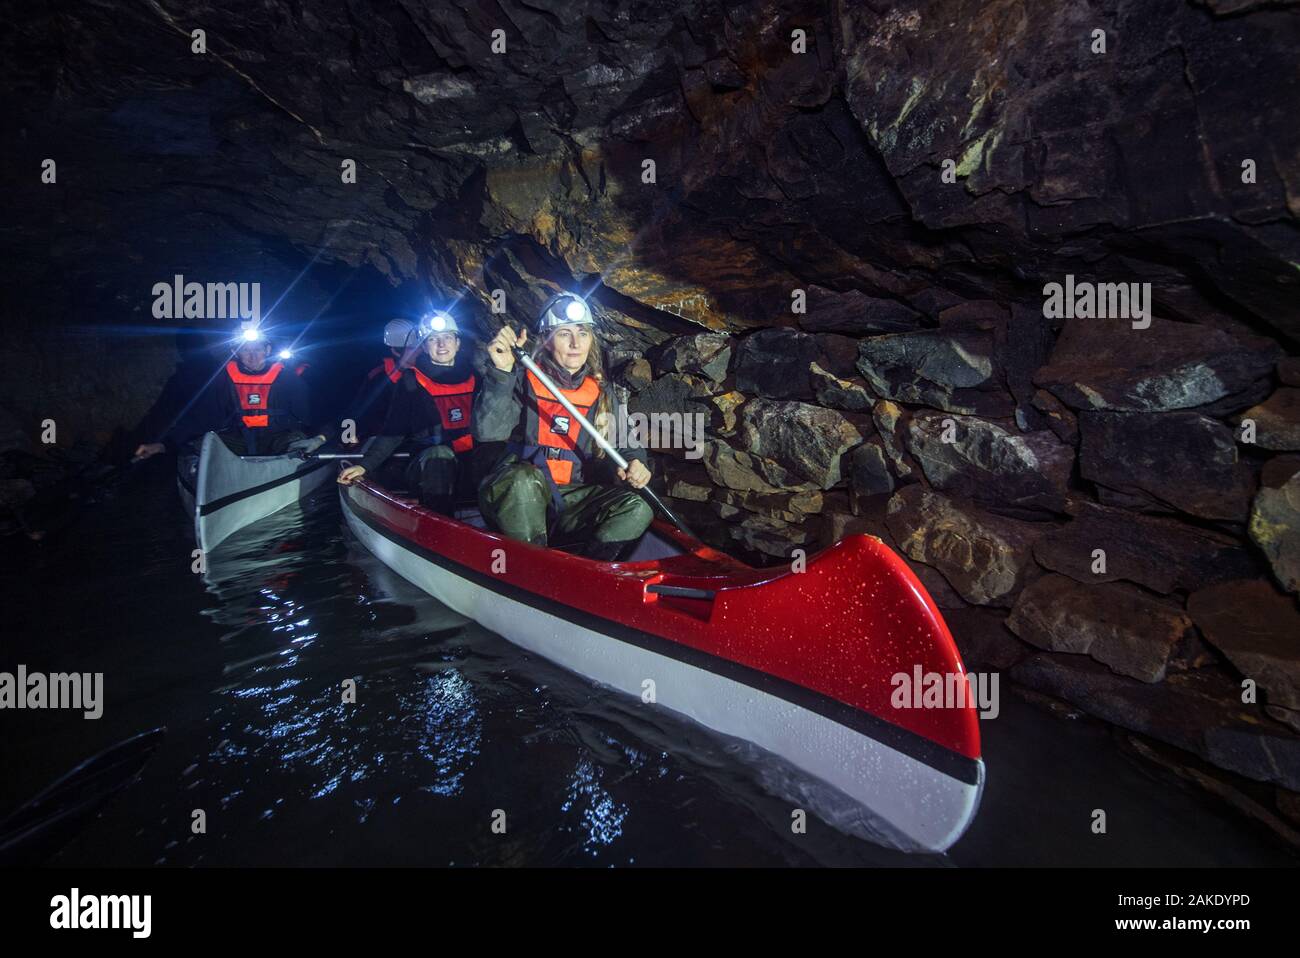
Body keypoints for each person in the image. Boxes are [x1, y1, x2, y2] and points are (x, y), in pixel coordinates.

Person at [473, 293, 652, 561]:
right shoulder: (519, 379)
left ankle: (589, 574)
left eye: (582, 333)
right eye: (563, 334)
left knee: (637, 507)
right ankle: (531, 567)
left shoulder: (600, 392)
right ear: (546, 340)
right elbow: (488, 431)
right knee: (523, 482)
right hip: (514, 494)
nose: (575, 343)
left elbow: (626, 445)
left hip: (568, 496)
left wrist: (636, 462)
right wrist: (501, 373)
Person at [336, 313, 479, 515]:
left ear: (457, 343)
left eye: (447, 337)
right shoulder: (410, 381)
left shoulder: (475, 376)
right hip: (427, 465)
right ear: (425, 346)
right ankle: (440, 521)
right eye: (432, 339)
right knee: (439, 456)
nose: (441, 344)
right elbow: (395, 430)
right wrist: (364, 466)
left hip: (468, 461)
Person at [134, 326, 325, 460]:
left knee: (296, 444)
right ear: (236, 352)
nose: (252, 356)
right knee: (202, 446)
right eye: (246, 351)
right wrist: (164, 444)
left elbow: (309, 413)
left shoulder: (287, 378)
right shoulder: (224, 379)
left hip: (279, 438)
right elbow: (200, 417)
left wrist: (320, 436)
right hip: (239, 438)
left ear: (267, 350)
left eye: (258, 349)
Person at [343, 319, 419, 443]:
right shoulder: (379, 377)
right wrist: (324, 437)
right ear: (395, 350)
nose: (420, 351)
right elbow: (355, 413)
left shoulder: (428, 373)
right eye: (414, 347)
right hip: (383, 442)